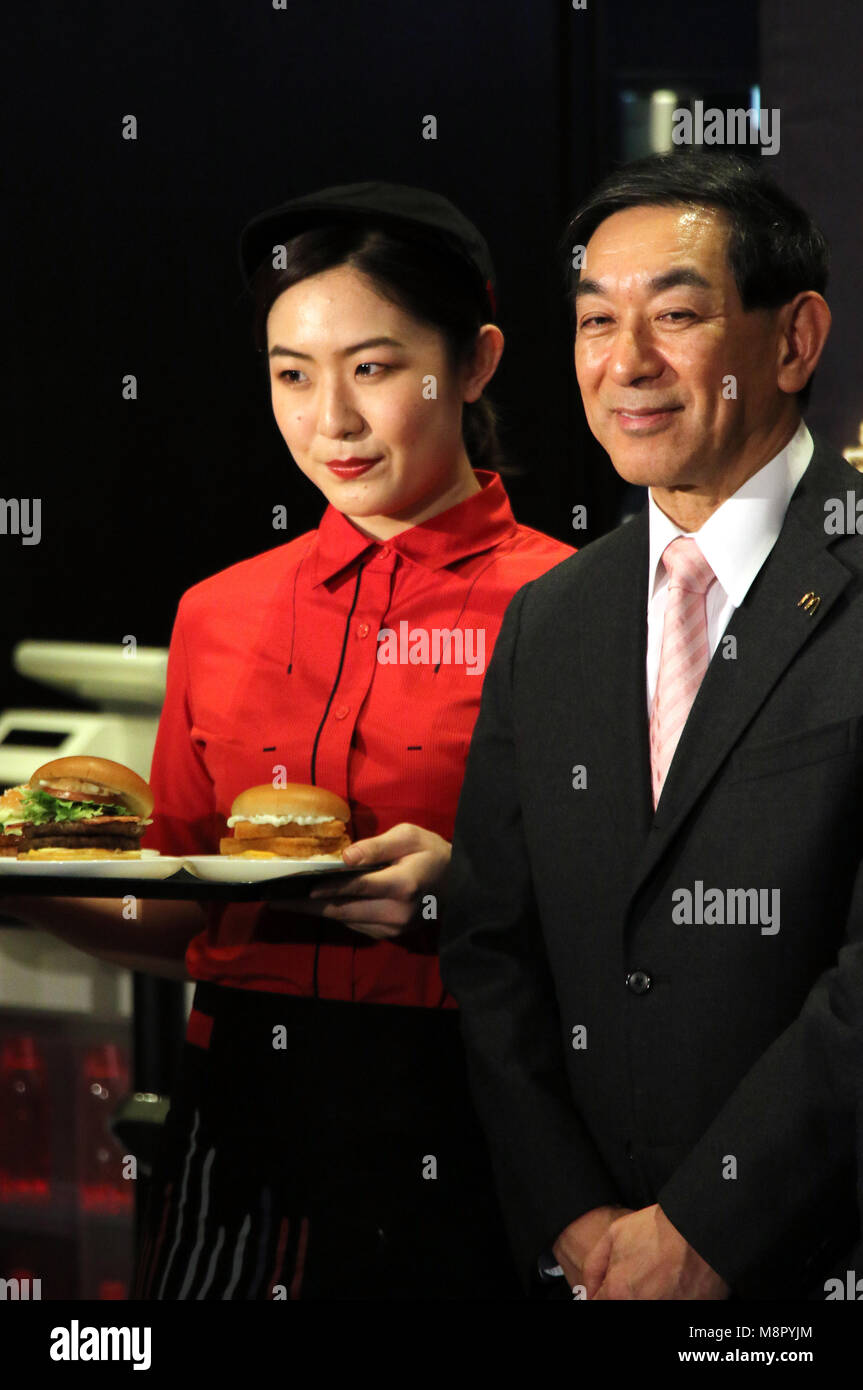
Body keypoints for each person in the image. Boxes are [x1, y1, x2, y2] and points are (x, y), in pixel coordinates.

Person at [115, 182, 574, 1300]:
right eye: (291, 373)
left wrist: (471, 896)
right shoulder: (215, 611)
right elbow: (181, 902)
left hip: (480, 1107)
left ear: (472, 365)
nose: (330, 420)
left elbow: (663, 922)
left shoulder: (579, 609)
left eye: (371, 368)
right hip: (241, 1111)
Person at [439, 149, 863, 1302]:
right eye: (591, 322)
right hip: (588, 1267)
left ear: (792, 340)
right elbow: (489, 945)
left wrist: (708, 1228)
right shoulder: (551, 618)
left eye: (674, 315)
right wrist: (575, 1219)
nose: (625, 363)